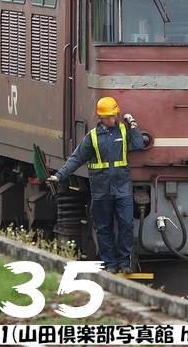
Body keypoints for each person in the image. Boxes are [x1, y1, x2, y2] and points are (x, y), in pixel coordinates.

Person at [48, 96, 144, 274]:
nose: (111, 119)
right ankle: (110, 264)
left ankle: (124, 263)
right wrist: (59, 176)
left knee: (126, 225)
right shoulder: (92, 137)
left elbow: (138, 144)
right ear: (101, 117)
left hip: (122, 188)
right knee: (103, 227)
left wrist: (133, 125)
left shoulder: (123, 131)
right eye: (108, 116)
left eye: (113, 115)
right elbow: (76, 158)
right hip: (101, 190)